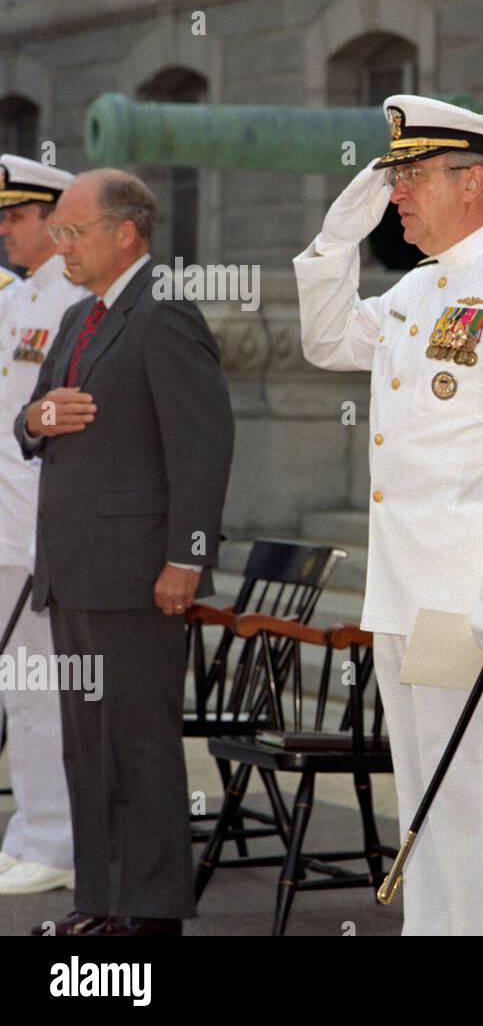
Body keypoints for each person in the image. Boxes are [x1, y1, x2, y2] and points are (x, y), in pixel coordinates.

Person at [293, 95, 483, 935]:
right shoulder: (422, 290)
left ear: (473, 182)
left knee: (467, 804)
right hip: (404, 589)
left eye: (413, 176)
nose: (398, 195)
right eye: (397, 178)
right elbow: (327, 342)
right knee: (422, 798)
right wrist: (333, 246)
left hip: (468, 596)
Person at [13, 169, 234, 936]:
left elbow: (203, 447)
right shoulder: (79, 316)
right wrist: (39, 416)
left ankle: (150, 912)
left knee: (137, 745)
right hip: (73, 570)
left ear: (126, 233)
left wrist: (188, 558)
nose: (60, 245)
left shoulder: (163, 313)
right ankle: (100, 901)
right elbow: (27, 424)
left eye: (73, 232)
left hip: (137, 574)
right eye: (60, 233)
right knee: (88, 747)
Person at [0, 156, 85, 896]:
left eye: (16, 216)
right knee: (20, 690)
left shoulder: (72, 303)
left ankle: (58, 841)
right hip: (6, 531)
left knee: (44, 687)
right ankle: (32, 828)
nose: (4, 228)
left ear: (57, 223)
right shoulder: (18, 297)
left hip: (39, 532)